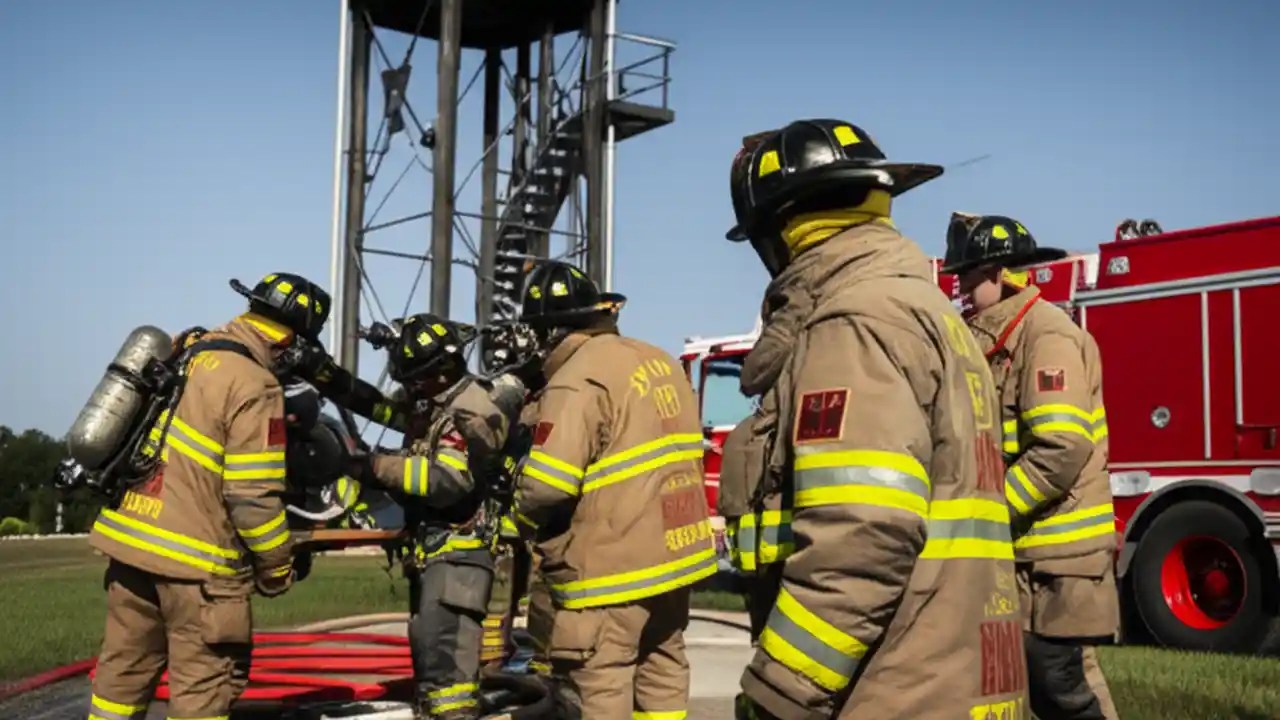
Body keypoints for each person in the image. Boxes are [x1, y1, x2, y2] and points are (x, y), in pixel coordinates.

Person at [724, 119, 1027, 720]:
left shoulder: (854, 323)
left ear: (780, 231)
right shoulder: (926, 310)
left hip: (894, 689)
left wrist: (781, 690)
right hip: (954, 674)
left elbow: (863, 533)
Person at [86, 271, 330, 720]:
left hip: (131, 548)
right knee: (203, 694)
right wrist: (278, 566)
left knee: (119, 681)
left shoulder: (188, 348)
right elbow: (252, 497)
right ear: (293, 343)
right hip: (199, 570)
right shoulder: (256, 384)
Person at [511, 259, 715, 719]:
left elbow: (546, 487)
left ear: (547, 332)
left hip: (608, 575)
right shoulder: (657, 358)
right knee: (661, 677)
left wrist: (516, 513)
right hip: (674, 562)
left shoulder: (576, 379)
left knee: (599, 688)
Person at [942, 212, 1119, 720]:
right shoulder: (1005, 337)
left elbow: (1061, 447)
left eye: (967, 278)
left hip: (1060, 558)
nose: (960, 291)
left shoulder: (1047, 338)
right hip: (1034, 552)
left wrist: (993, 510)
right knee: (1044, 687)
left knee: (1060, 684)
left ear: (999, 273)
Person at [348, 312, 527, 720]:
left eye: (416, 379)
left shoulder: (468, 410)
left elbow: (448, 482)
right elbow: (378, 408)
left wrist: (372, 467)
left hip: (458, 562)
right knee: (434, 675)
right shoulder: (438, 402)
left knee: (449, 688)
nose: (410, 389)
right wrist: (323, 375)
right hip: (440, 561)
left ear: (441, 371)